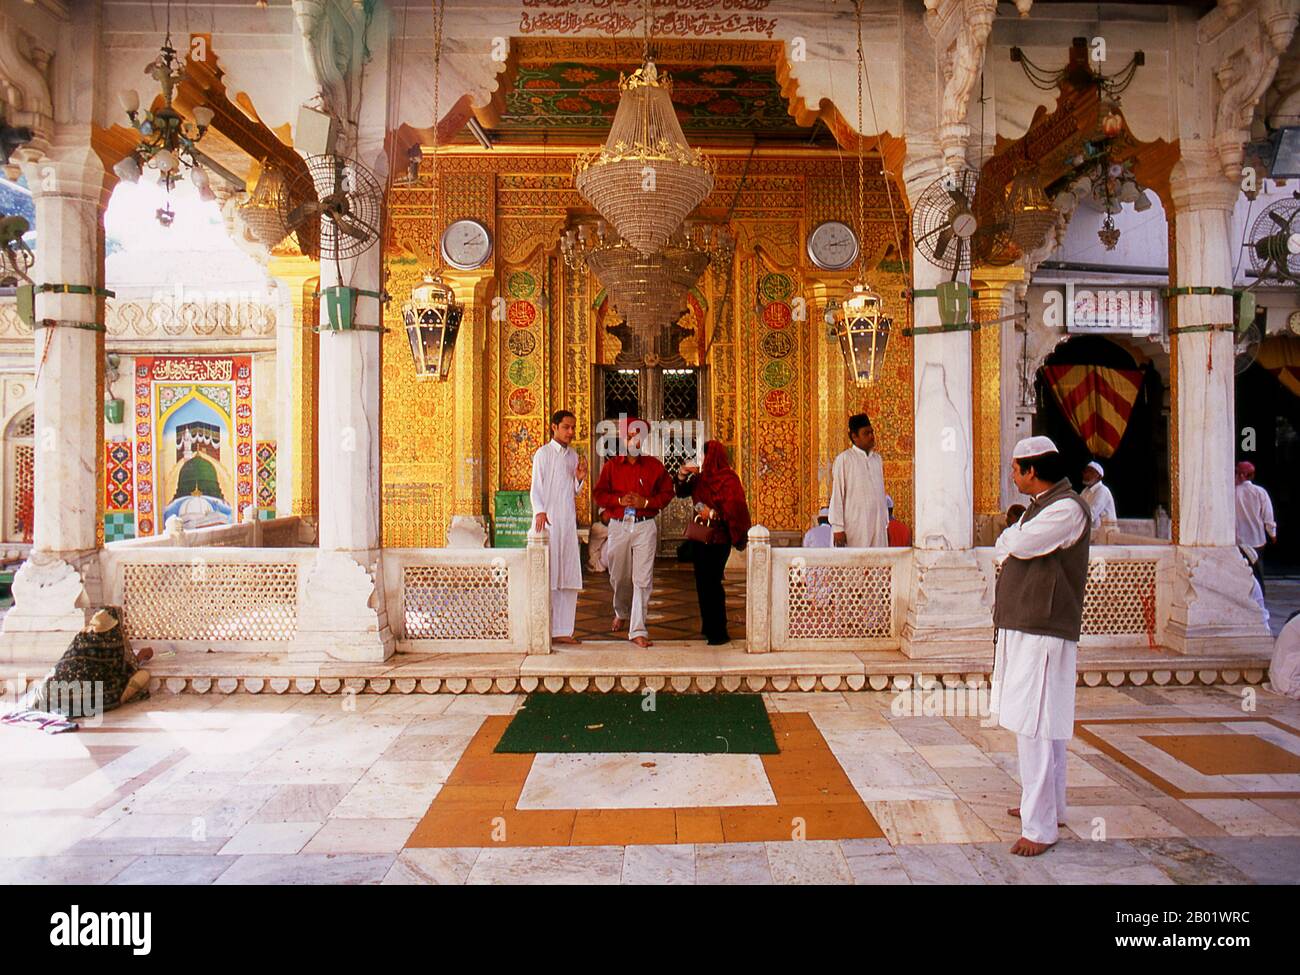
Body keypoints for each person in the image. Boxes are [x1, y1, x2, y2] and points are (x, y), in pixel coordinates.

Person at [991, 435, 1091, 857]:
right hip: (1027, 624)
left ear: (1033, 470)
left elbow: (1017, 544)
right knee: (1040, 721)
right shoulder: (1040, 507)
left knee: (1035, 722)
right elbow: (1004, 546)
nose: (1012, 476)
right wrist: (1013, 541)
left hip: (1044, 628)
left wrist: (1014, 540)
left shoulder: (1067, 508)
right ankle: (1050, 807)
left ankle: (1040, 826)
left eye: (1016, 468)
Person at [592, 417, 674, 648]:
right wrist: (618, 500)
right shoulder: (611, 466)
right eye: (629, 435)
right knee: (618, 575)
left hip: (645, 526)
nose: (633, 440)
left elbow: (667, 494)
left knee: (642, 579)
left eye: (637, 436)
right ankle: (621, 610)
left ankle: (638, 629)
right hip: (619, 525)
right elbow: (599, 494)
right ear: (622, 438)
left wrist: (646, 502)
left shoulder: (654, 466)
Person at [676, 440, 751, 645]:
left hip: (719, 540)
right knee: (702, 583)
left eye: (704, 455)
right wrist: (682, 473)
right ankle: (709, 626)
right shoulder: (700, 479)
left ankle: (718, 631)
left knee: (713, 583)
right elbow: (681, 491)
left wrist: (715, 514)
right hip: (702, 538)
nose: (702, 459)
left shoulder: (728, 480)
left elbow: (735, 508)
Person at [530, 410, 587, 645]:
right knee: (550, 575)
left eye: (573, 427)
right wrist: (540, 510)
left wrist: (580, 478)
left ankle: (564, 630)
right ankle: (546, 628)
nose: (571, 432)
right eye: (566, 427)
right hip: (549, 522)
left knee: (568, 575)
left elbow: (572, 490)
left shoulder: (573, 456)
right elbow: (537, 486)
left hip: (567, 521)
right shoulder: (543, 454)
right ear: (554, 427)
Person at [829, 413, 888, 547]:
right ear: (854, 436)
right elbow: (838, 494)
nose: (871, 436)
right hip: (855, 527)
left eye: (872, 432)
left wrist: (885, 524)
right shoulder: (844, 459)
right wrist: (838, 528)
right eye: (866, 433)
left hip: (878, 526)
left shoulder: (877, 460)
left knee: (877, 564)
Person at [1235, 461, 1276, 595]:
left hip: (1238, 540)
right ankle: (1259, 598)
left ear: (1241, 475)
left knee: (1240, 572)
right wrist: (1272, 533)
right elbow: (1268, 515)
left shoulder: (1232, 493)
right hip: (1257, 539)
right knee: (1258, 573)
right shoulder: (1260, 492)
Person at [1079, 460, 1117, 534]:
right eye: (1085, 472)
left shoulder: (1103, 490)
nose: (1086, 474)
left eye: (1090, 472)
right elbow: (1078, 508)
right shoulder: (1085, 491)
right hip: (1092, 532)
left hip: (1106, 534)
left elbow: (1091, 514)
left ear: (1099, 476)